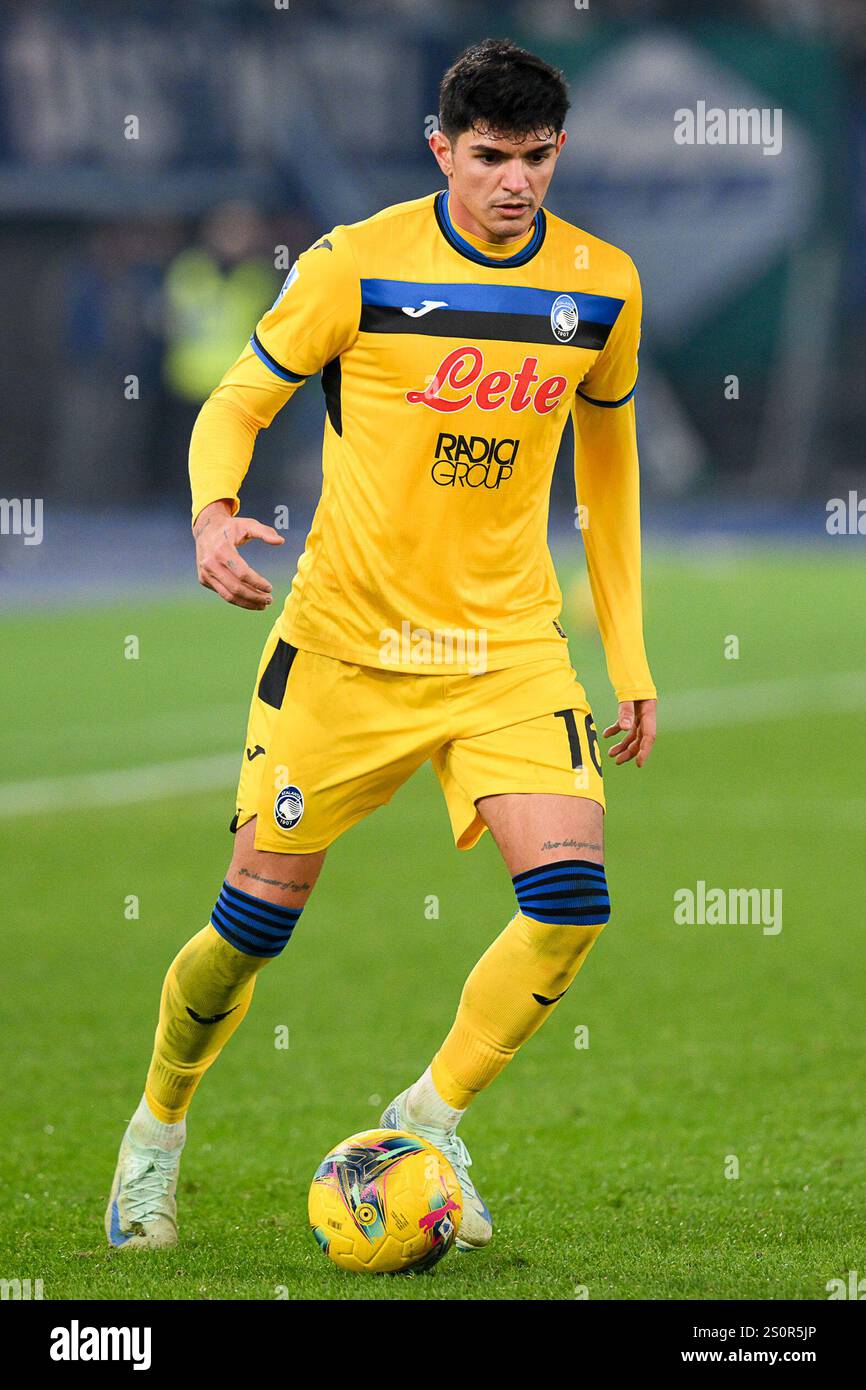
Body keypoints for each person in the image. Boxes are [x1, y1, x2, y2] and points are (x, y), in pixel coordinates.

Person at [106, 37, 657, 1254]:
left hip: (506, 648)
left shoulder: (601, 285)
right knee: (249, 929)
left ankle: (428, 1114)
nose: (514, 181)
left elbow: (605, 473)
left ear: (557, 150)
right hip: (345, 648)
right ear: (439, 149)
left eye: (536, 157)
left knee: (570, 900)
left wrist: (628, 654)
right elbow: (236, 401)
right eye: (488, 157)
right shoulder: (356, 264)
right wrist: (209, 515)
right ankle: (156, 1131)